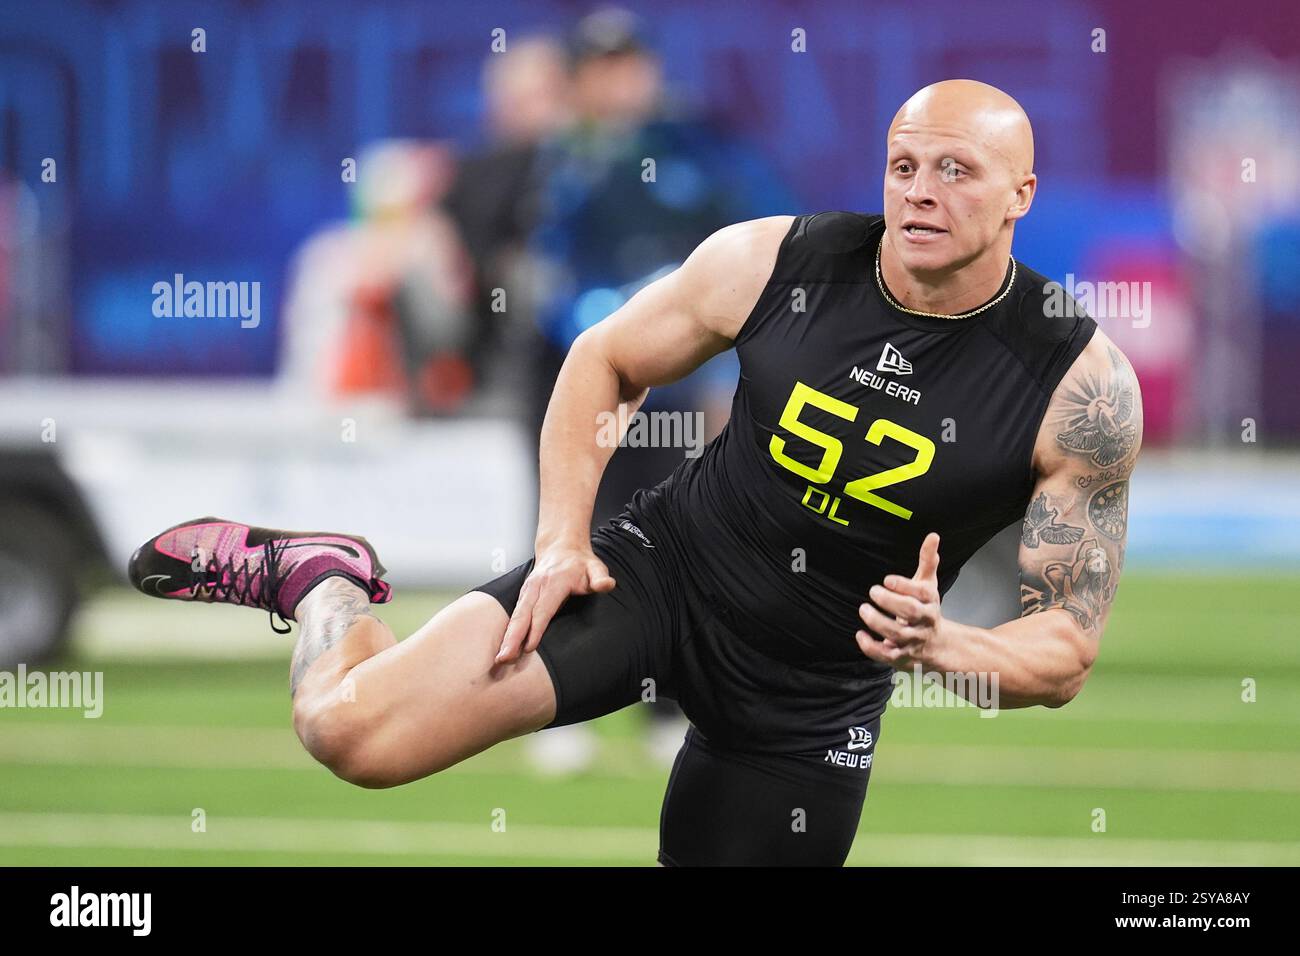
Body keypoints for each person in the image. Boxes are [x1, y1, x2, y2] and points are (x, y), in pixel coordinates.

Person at [127, 79, 1143, 866]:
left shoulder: (1076, 382)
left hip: (809, 699)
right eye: (902, 165)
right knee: (350, 733)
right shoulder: (773, 261)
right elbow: (602, 357)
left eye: (956, 170)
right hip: (658, 578)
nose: (920, 192)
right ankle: (325, 581)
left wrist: (947, 644)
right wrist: (562, 537)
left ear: (1022, 194)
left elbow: (1063, 650)